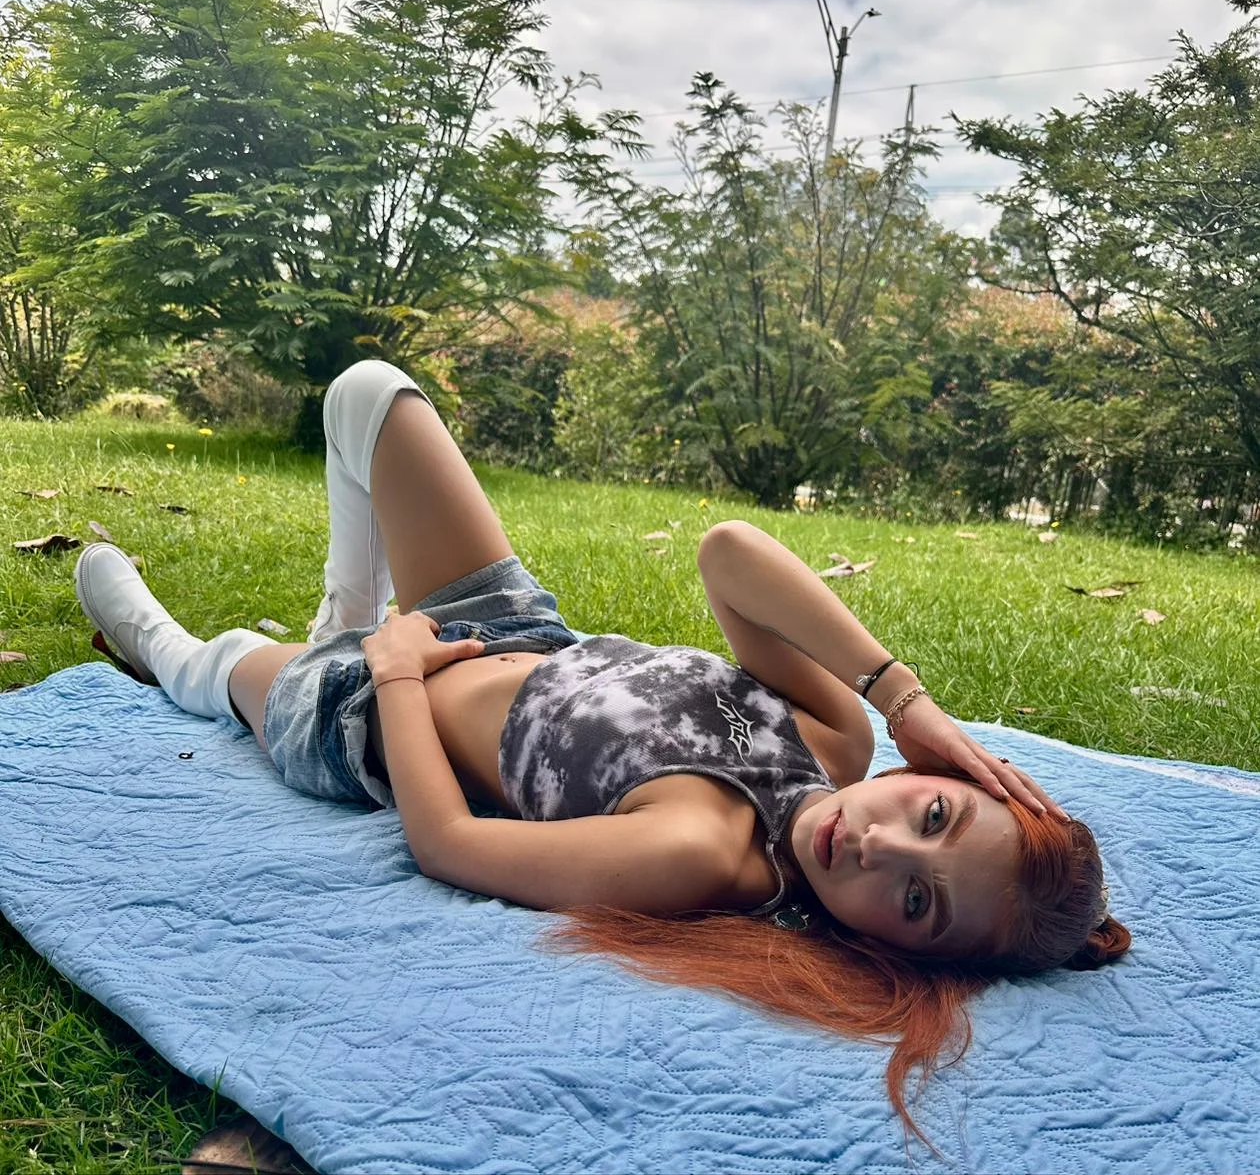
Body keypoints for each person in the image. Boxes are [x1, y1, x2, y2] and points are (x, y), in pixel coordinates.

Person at [73, 359, 1130, 1144]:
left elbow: (447, 842)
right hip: (507, 624)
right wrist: (903, 698)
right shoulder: (840, 738)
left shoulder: (700, 854)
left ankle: (183, 648)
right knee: (369, 395)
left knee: (221, 663)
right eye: (935, 816)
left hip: (367, 717)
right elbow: (729, 553)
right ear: (940, 775)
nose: (880, 846)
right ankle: (344, 607)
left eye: (916, 900)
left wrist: (391, 672)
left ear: (898, 949)